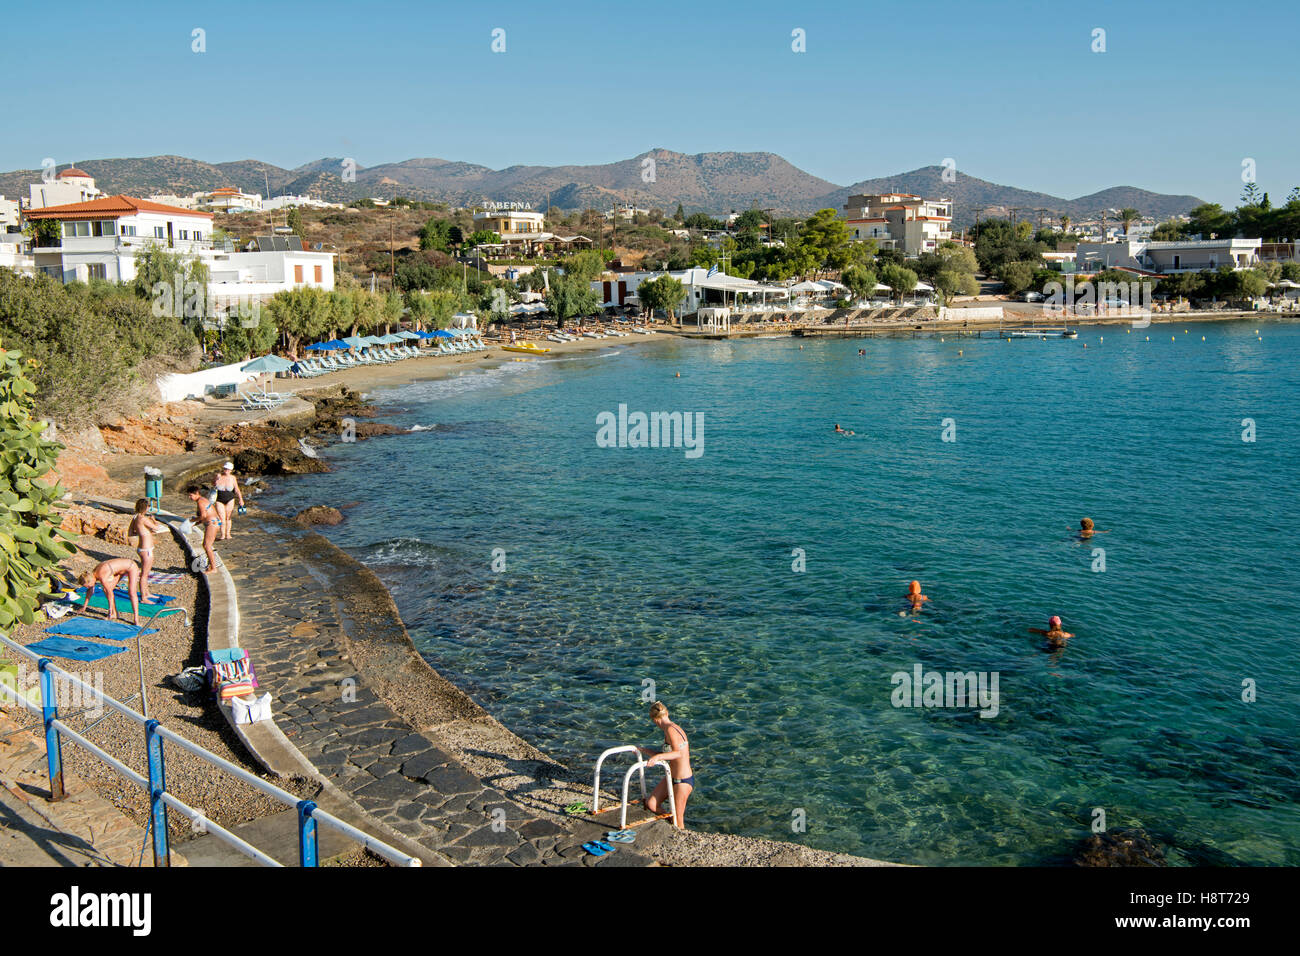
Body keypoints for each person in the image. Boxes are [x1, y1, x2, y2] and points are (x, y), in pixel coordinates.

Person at [639, 701, 693, 829]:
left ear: (654, 719)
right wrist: (644, 750)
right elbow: (669, 753)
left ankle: (680, 837)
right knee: (651, 803)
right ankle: (671, 824)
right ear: (666, 713)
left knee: (679, 820)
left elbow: (678, 754)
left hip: (682, 781)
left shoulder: (670, 730)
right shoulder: (671, 728)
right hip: (672, 778)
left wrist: (658, 757)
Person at [78, 558, 141, 627]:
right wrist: (84, 607)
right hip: (120, 570)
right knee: (106, 589)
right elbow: (90, 591)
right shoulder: (93, 575)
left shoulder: (101, 576)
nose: (87, 587)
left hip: (131, 566)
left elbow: (110, 593)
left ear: (90, 581)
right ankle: (114, 613)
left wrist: (109, 610)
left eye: (87, 586)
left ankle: (136, 620)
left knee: (132, 593)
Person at [128, 499, 164, 602]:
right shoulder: (143, 518)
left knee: (145, 573)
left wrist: (144, 533)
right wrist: (153, 520)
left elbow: (130, 532)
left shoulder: (135, 517)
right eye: (148, 506)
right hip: (146, 549)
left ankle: (147, 593)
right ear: (145, 507)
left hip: (142, 548)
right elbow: (157, 528)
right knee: (144, 574)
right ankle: (144, 597)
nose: (149, 508)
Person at [185, 483, 220, 574]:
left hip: (212, 524)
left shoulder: (200, 501)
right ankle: (211, 565)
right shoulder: (202, 500)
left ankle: (213, 568)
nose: (189, 497)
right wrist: (195, 523)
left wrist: (192, 520)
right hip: (213, 522)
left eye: (191, 495)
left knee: (207, 545)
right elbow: (205, 516)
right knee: (206, 545)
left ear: (197, 493)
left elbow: (203, 516)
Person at [212, 462, 245, 541]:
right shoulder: (219, 476)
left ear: (231, 470)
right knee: (221, 517)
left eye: (228, 469)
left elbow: (236, 489)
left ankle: (228, 534)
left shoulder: (233, 478)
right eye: (225, 469)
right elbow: (213, 484)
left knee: (228, 517)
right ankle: (223, 534)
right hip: (219, 499)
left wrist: (241, 499)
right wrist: (216, 479)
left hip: (230, 498)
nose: (226, 470)